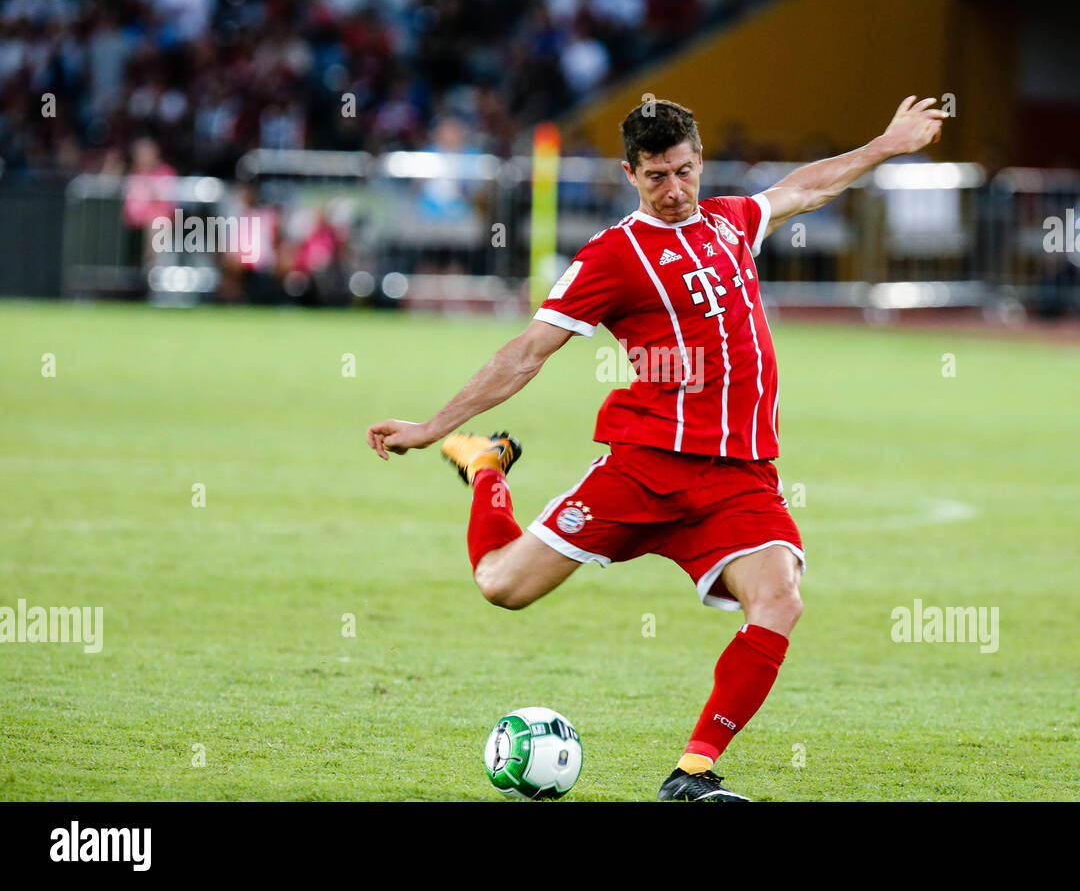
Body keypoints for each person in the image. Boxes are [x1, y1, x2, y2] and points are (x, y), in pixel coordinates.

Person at [366, 95, 945, 800]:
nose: (673, 191)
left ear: (699, 161)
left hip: (740, 479)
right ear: (629, 174)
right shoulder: (612, 256)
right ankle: (487, 465)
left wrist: (886, 143)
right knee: (501, 587)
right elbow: (526, 352)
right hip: (645, 469)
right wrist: (432, 427)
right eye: (656, 177)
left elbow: (804, 188)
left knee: (781, 599)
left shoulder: (732, 224)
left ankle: (693, 772)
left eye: (684, 171)